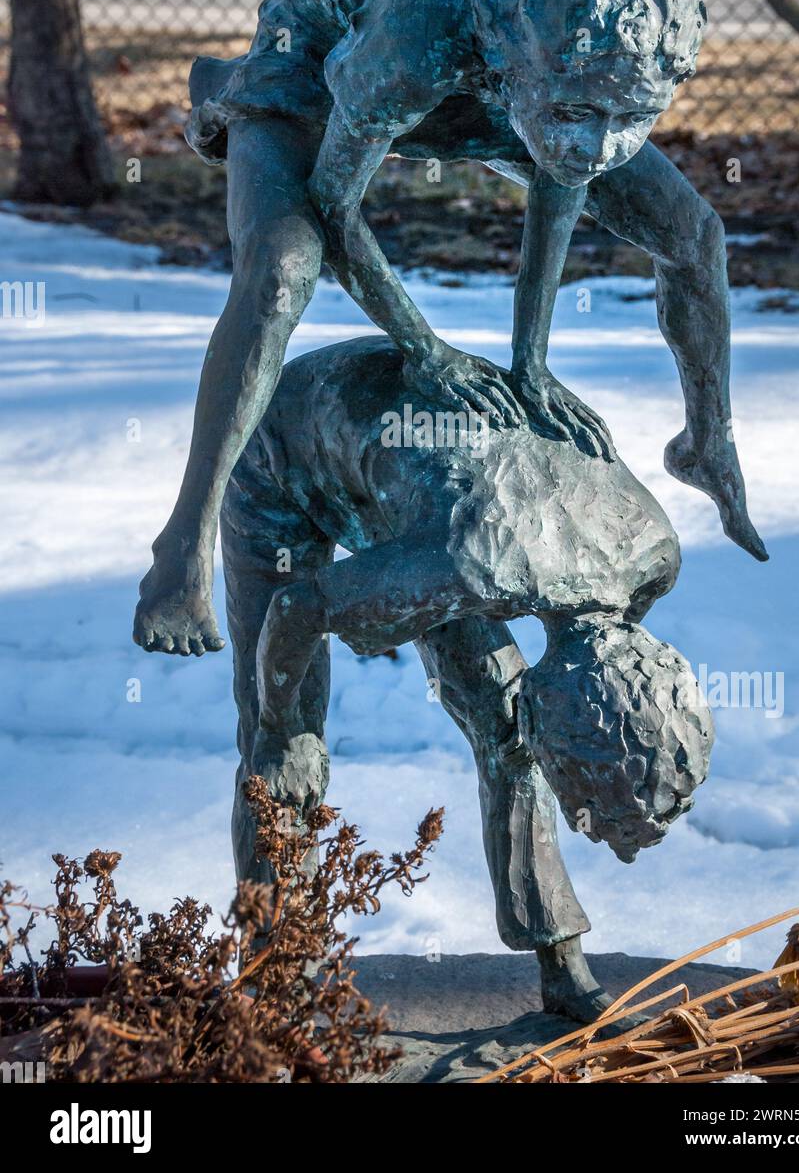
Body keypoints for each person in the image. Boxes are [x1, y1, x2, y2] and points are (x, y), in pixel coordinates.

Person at [134, 0, 766, 659]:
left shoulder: (589, 36)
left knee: (694, 233)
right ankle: (182, 543)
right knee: (282, 268)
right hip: (322, 66)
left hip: (503, 69)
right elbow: (336, 207)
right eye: (579, 112)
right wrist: (424, 350)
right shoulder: (415, 29)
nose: (601, 144)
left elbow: (563, 170)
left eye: (629, 116)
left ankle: (706, 445)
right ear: (520, 56)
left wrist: (528, 365)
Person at [220, 335, 714, 1024]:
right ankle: (270, 988)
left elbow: (575, 675)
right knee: (287, 756)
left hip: (439, 500)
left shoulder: (652, 555)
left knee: (510, 733)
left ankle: (563, 968)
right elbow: (296, 611)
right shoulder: (461, 563)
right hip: (287, 452)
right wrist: (274, 724)